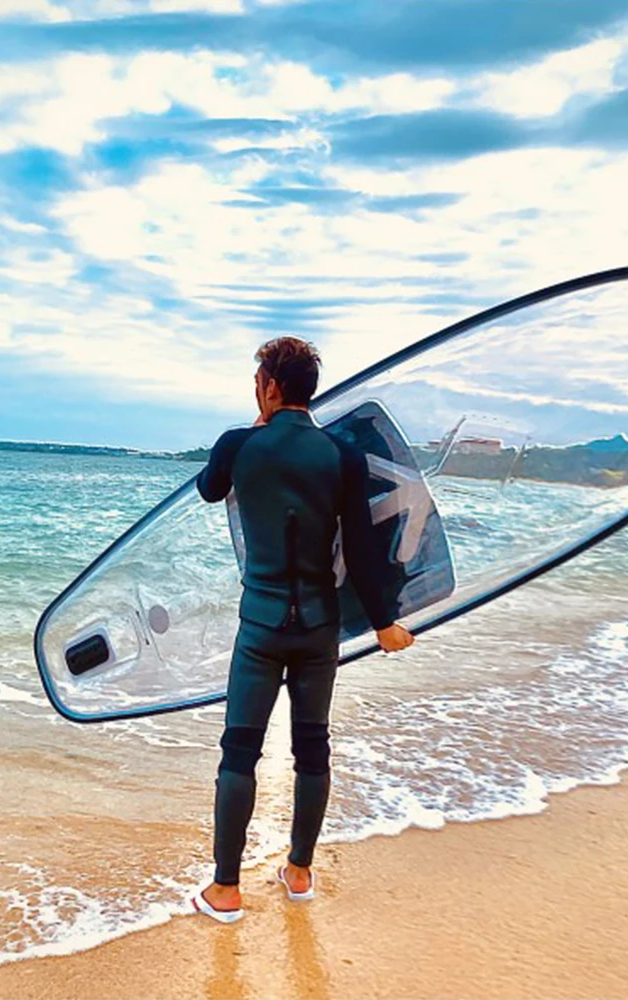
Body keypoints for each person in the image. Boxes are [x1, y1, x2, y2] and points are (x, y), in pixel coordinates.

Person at [190, 336, 414, 923]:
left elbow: (210, 489)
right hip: (319, 627)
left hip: (261, 625)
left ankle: (226, 890)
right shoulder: (342, 454)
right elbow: (365, 547)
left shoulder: (238, 446)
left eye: (258, 380)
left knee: (239, 751)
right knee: (312, 749)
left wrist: (256, 426)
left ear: (267, 384)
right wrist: (386, 621)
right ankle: (298, 872)